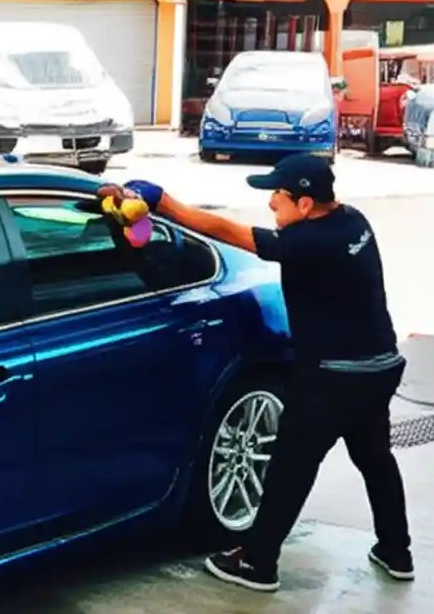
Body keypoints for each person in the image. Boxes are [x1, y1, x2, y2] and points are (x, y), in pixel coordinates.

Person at [101, 153, 413, 592]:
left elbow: (228, 232)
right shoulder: (354, 222)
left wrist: (163, 203)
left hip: (333, 378)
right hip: (379, 368)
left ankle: (257, 564)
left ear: (305, 204)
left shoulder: (306, 243)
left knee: (290, 468)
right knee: (376, 459)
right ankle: (397, 551)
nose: (270, 204)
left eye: (277, 196)